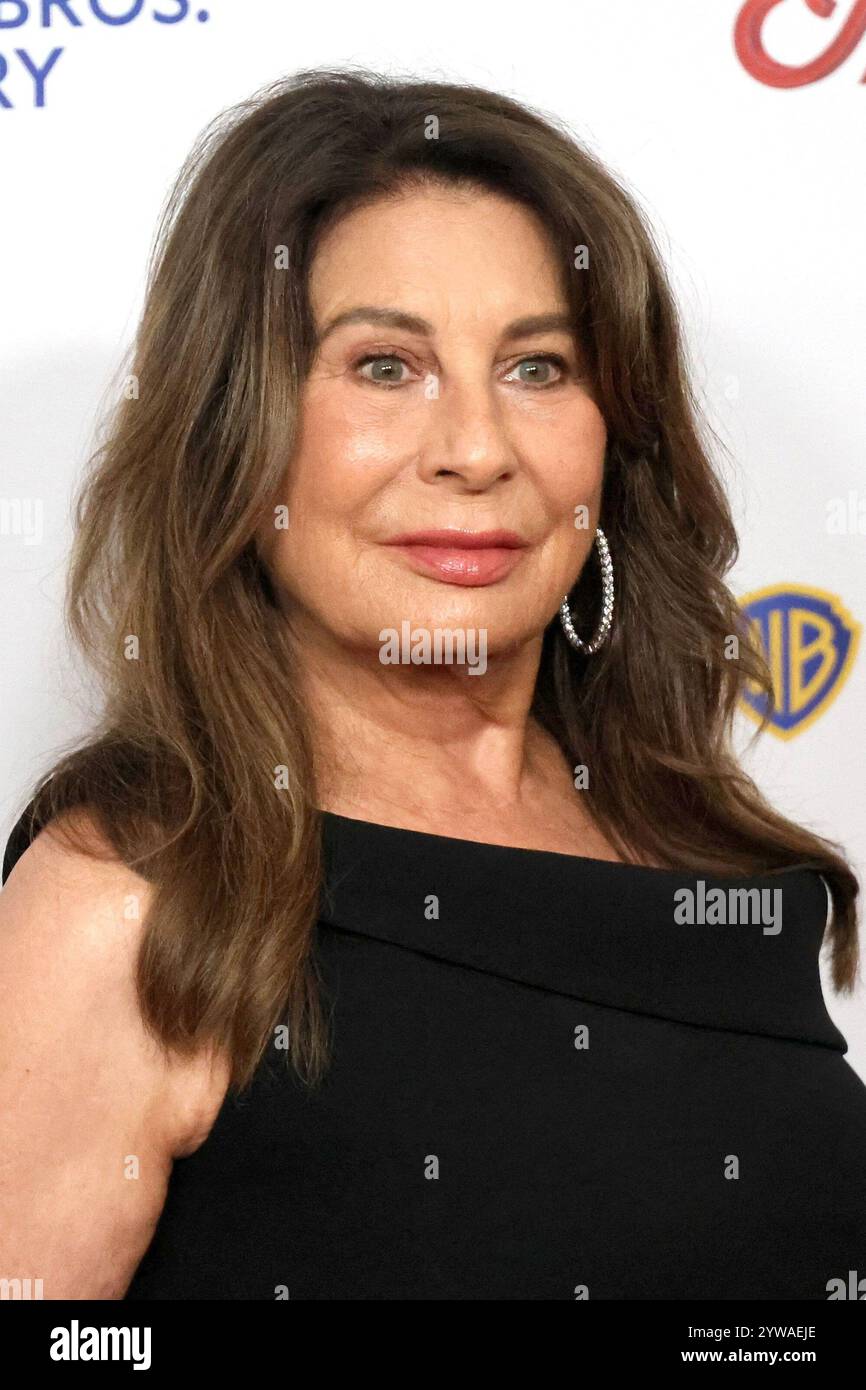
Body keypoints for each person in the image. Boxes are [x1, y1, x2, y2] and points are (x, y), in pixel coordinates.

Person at [2, 68, 864, 1301]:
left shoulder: (697, 848)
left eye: (538, 369)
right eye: (383, 366)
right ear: (234, 433)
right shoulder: (138, 899)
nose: (474, 449)